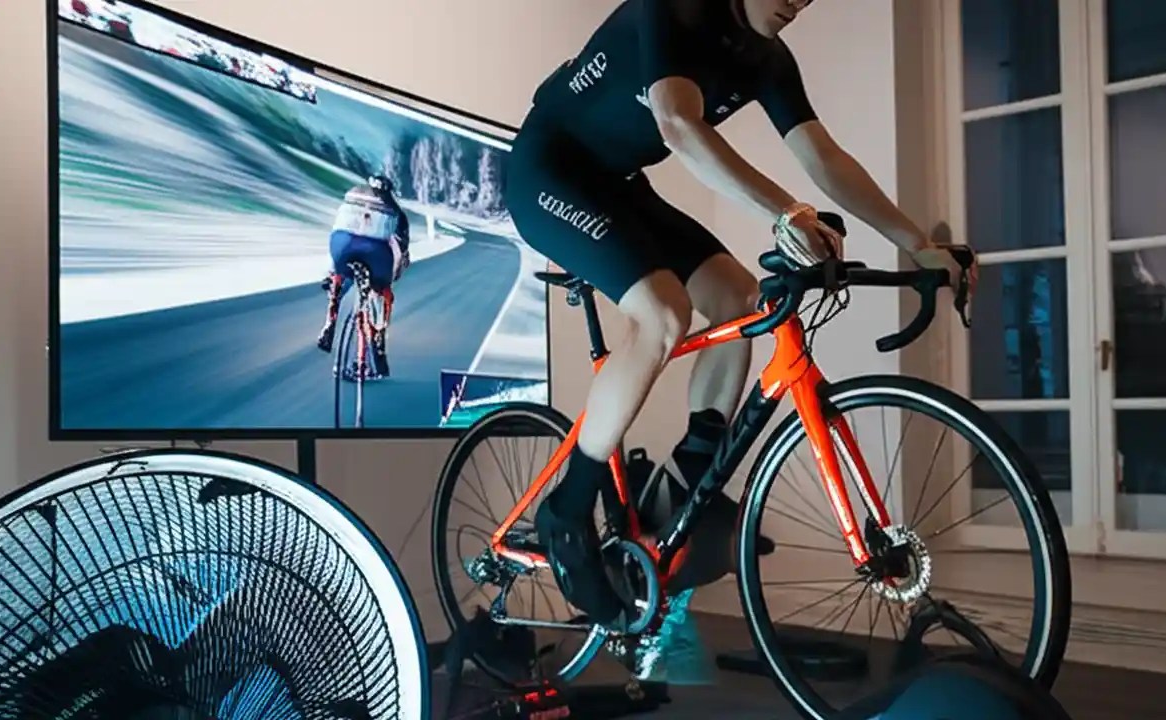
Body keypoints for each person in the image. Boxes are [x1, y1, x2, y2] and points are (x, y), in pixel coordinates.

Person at [503, 0, 976, 630]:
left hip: (618, 184)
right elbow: (675, 120)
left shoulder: (766, 59)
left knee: (740, 299)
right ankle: (566, 510)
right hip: (549, 171)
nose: (796, 3)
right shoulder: (672, 11)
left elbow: (826, 162)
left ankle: (686, 480)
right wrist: (785, 213)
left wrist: (918, 244)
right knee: (663, 312)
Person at [317, 173, 411, 378]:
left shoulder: (354, 194)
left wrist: (332, 268)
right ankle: (368, 352)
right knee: (379, 293)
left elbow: (336, 227)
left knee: (338, 275)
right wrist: (394, 274)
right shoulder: (396, 211)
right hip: (377, 255)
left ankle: (331, 312)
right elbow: (401, 248)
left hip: (342, 245)